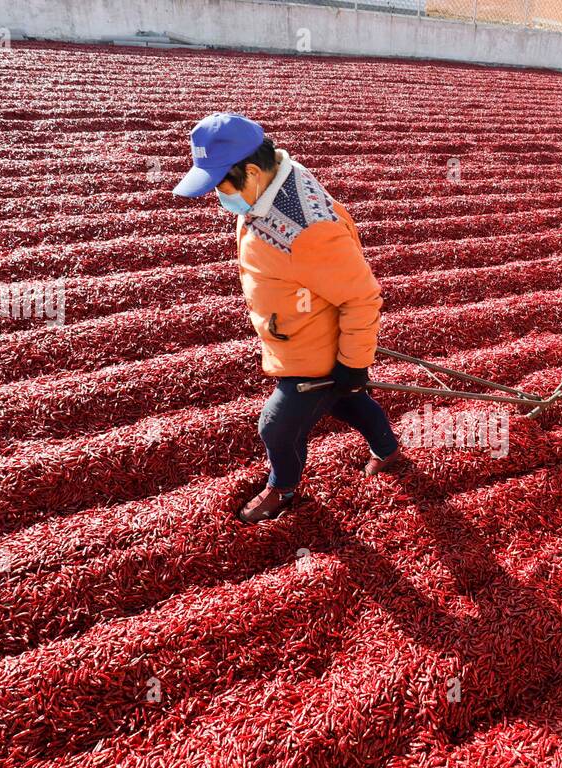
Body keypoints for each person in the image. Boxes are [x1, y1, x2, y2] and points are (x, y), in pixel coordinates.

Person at [172, 113, 406, 523]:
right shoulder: (274, 178)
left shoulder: (307, 229)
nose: (217, 196)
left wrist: (353, 364)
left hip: (311, 349)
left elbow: (362, 298)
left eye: (219, 185)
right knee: (345, 401)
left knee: (276, 427)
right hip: (299, 328)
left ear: (250, 171)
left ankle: (282, 488)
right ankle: (387, 450)